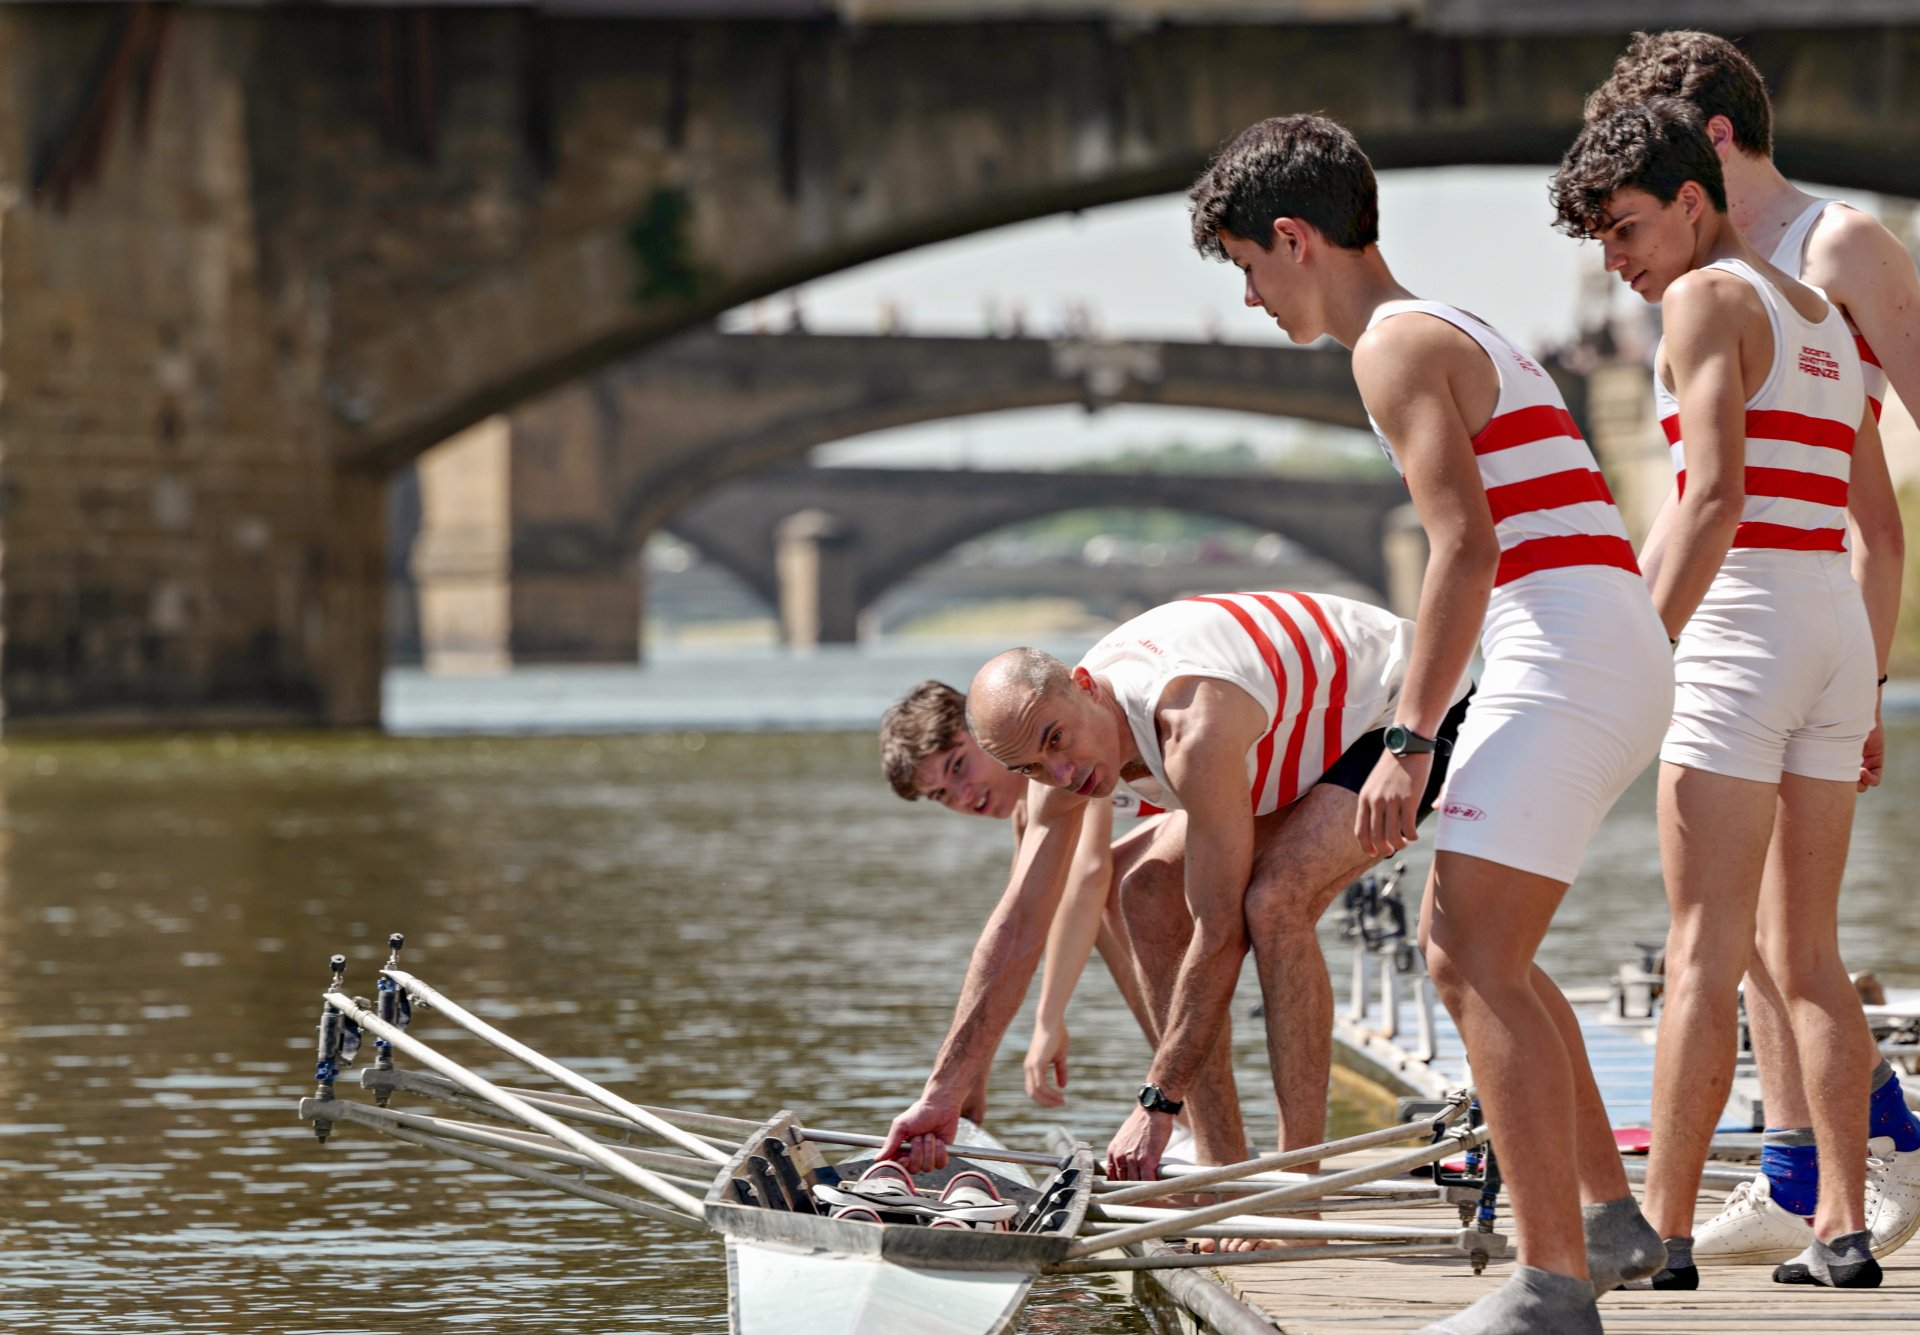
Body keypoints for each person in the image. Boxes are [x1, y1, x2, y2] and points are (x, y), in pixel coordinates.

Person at [1188, 114, 1674, 1333]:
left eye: (1249, 266)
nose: (1251, 298)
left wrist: (1407, 741)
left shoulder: (1391, 349)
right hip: (1594, 640)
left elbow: (1464, 544)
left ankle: (1551, 1287)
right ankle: (1611, 1224)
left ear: (1295, 239)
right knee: (1493, 947)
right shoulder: (1451, 324)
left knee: (1463, 955)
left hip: (1563, 645)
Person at [1581, 30, 1918, 1278]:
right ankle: (1841, 1224)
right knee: (1811, 956)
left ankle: (1660, 1233)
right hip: (1833, 621)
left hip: (1745, 624)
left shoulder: (1707, 298)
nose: (1616, 264)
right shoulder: (1824, 315)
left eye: (1622, 232)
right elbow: (1875, 520)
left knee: (1700, 953)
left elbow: (1709, 496)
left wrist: (1632, 646)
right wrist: (1872, 683)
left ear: (1689, 194)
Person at [879, 592, 1474, 1245]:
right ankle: (1221, 1175)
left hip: (1406, 711)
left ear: (1085, 686)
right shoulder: (1059, 746)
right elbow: (1019, 921)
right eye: (1034, 766)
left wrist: (1156, 1102)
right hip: (1293, 739)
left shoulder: (1193, 726)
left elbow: (1219, 935)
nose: (1064, 772)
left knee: (1273, 903)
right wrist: (944, 1090)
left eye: (1058, 742)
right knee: (1146, 893)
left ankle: (1300, 1201)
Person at [879, 680, 1174, 1119]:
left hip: (1260, 792)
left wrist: (1048, 1020)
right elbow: (1020, 927)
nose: (963, 797)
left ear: (983, 733)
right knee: (1098, 898)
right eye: (942, 795)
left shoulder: (1060, 758)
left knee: (1114, 891)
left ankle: (1183, 1108)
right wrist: (970, 1078)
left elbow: (1089, 875)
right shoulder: (1026, 810)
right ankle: (1186, 1111)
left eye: (959, 767)